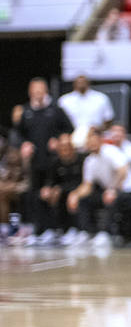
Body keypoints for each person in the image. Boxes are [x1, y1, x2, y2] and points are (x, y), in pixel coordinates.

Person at [13, 78, 74, 241]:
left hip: (54, 163)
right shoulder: (26, 111)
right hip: (35, 162)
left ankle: (58, 229)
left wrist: (58, 139)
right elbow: (18, 134)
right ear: (30, 92)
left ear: (46, 91)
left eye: (41, 90)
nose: (38, 93)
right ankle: (40, 230)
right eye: (35, 90)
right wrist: (24, 144)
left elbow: (69, 128)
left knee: (55, 194)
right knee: (36, 194)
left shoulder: (55, 109)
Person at [65, 126, 131, 247]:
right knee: (84, 200)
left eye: (92, 137)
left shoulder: (111, 151)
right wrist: (75, 195)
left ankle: (106, 234)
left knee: (111, 198)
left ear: (99, 138)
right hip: (109, 192)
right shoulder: (89, 161)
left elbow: (123, 171)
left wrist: (113, 189)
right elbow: (87, 186)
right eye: (87, 139)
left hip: (129, 191)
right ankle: (86, 232)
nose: (90, 141)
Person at [57, 75, 114, 142]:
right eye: (79, 82)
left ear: (88, 83)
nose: (81, 84)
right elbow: (58, 122)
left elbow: (108, 120)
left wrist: (98, 129)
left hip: (96, 136)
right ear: (74, 84)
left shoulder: (101, 98)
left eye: (83, 82)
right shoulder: (64, 100)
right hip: (71, 137)